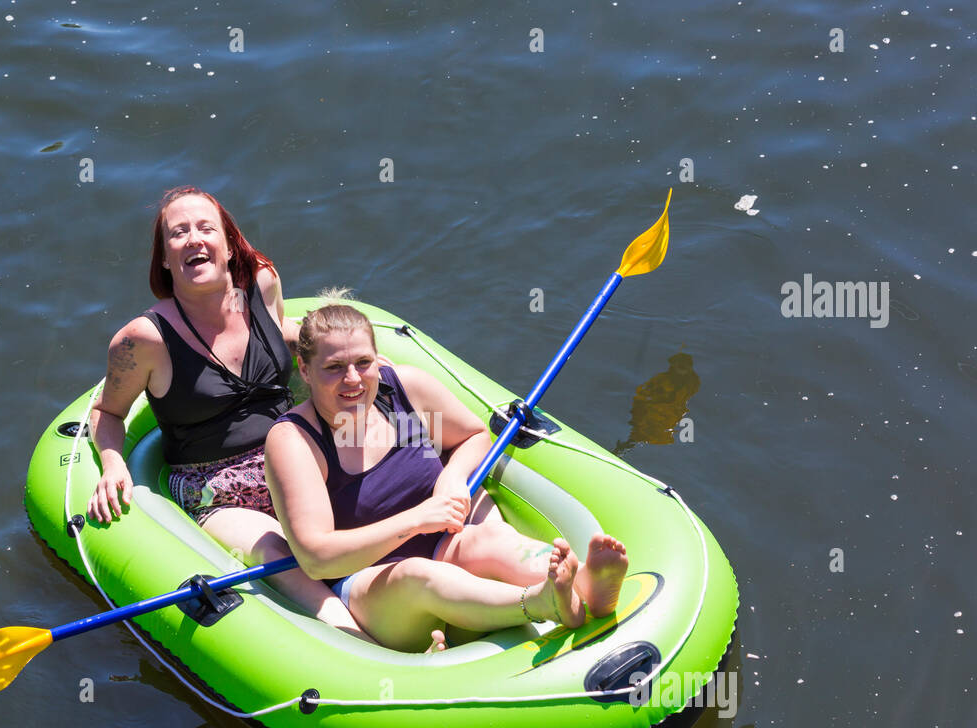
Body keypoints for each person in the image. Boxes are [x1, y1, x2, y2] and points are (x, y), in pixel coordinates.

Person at [264, 293, 630, 653]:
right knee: (419, 574)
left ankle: (587, 585)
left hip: (441, 543)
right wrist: (416, 520)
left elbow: (473, 435)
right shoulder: (295, 440)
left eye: (363, 362)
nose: (353, 379)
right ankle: (540, 602)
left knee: (485, 540)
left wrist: (451, 478)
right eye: (334, 367)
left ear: (377, 361)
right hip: (366, 583)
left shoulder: (403, 389)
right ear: (305, 370)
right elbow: (317, 557)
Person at [85, 187, 363, 635]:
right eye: (179, 233)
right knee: (280, 553)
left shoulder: (262, 285)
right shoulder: (143, 341)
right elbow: (107, 412)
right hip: (217, 486)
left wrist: (353, 361)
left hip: (295, 449)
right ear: (164, 259)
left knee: (370, 507)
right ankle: (359, 642)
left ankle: (409, 609)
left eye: (205, 227)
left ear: (229, 244)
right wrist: (113, 463)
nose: (194, 238)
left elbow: (283, 335)